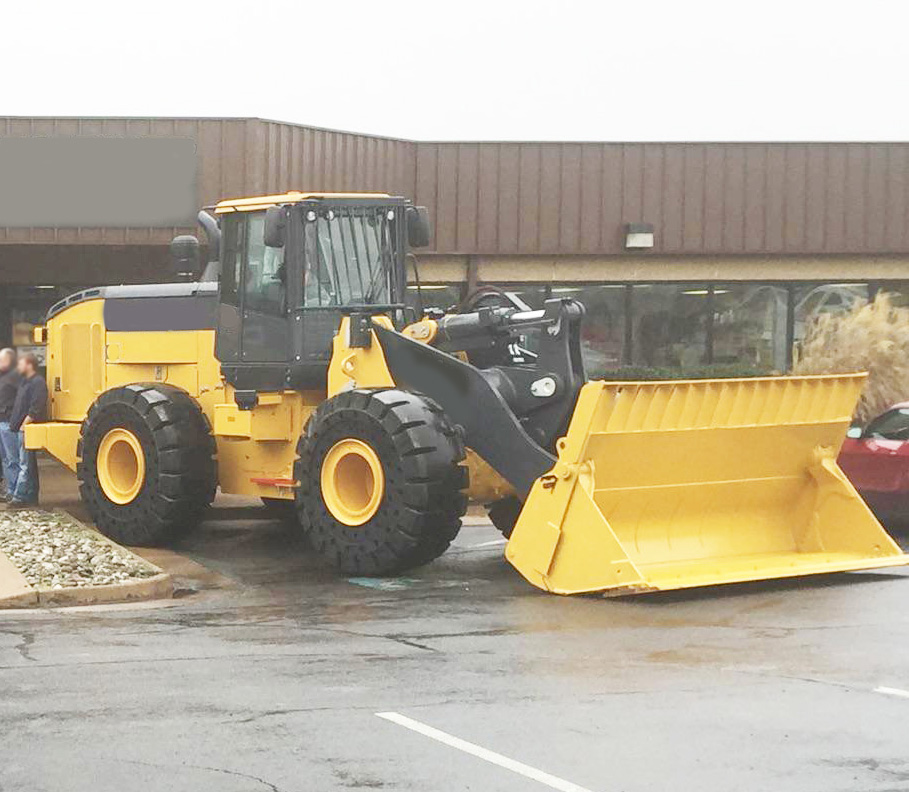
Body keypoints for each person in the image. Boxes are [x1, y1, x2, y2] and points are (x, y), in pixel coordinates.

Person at [8, 352, 47, 507]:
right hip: (20, 427)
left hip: (26, 428)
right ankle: (30, 495)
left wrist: (26, 423)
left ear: (29, 364)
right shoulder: (25, 382)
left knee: (24, 463)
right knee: (27, 463)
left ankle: (19, 497)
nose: (18, 366)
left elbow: (36, 405)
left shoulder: (37, 382)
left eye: (21, 363)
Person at [0, 348, 20, 502]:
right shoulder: (3, 377)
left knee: (12, 458)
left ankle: (15, 491)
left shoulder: (15, 377)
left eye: (2, 360)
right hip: (2, 421)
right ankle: (10, 489)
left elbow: (22, 398)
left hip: (9, 422)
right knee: (5, 459)